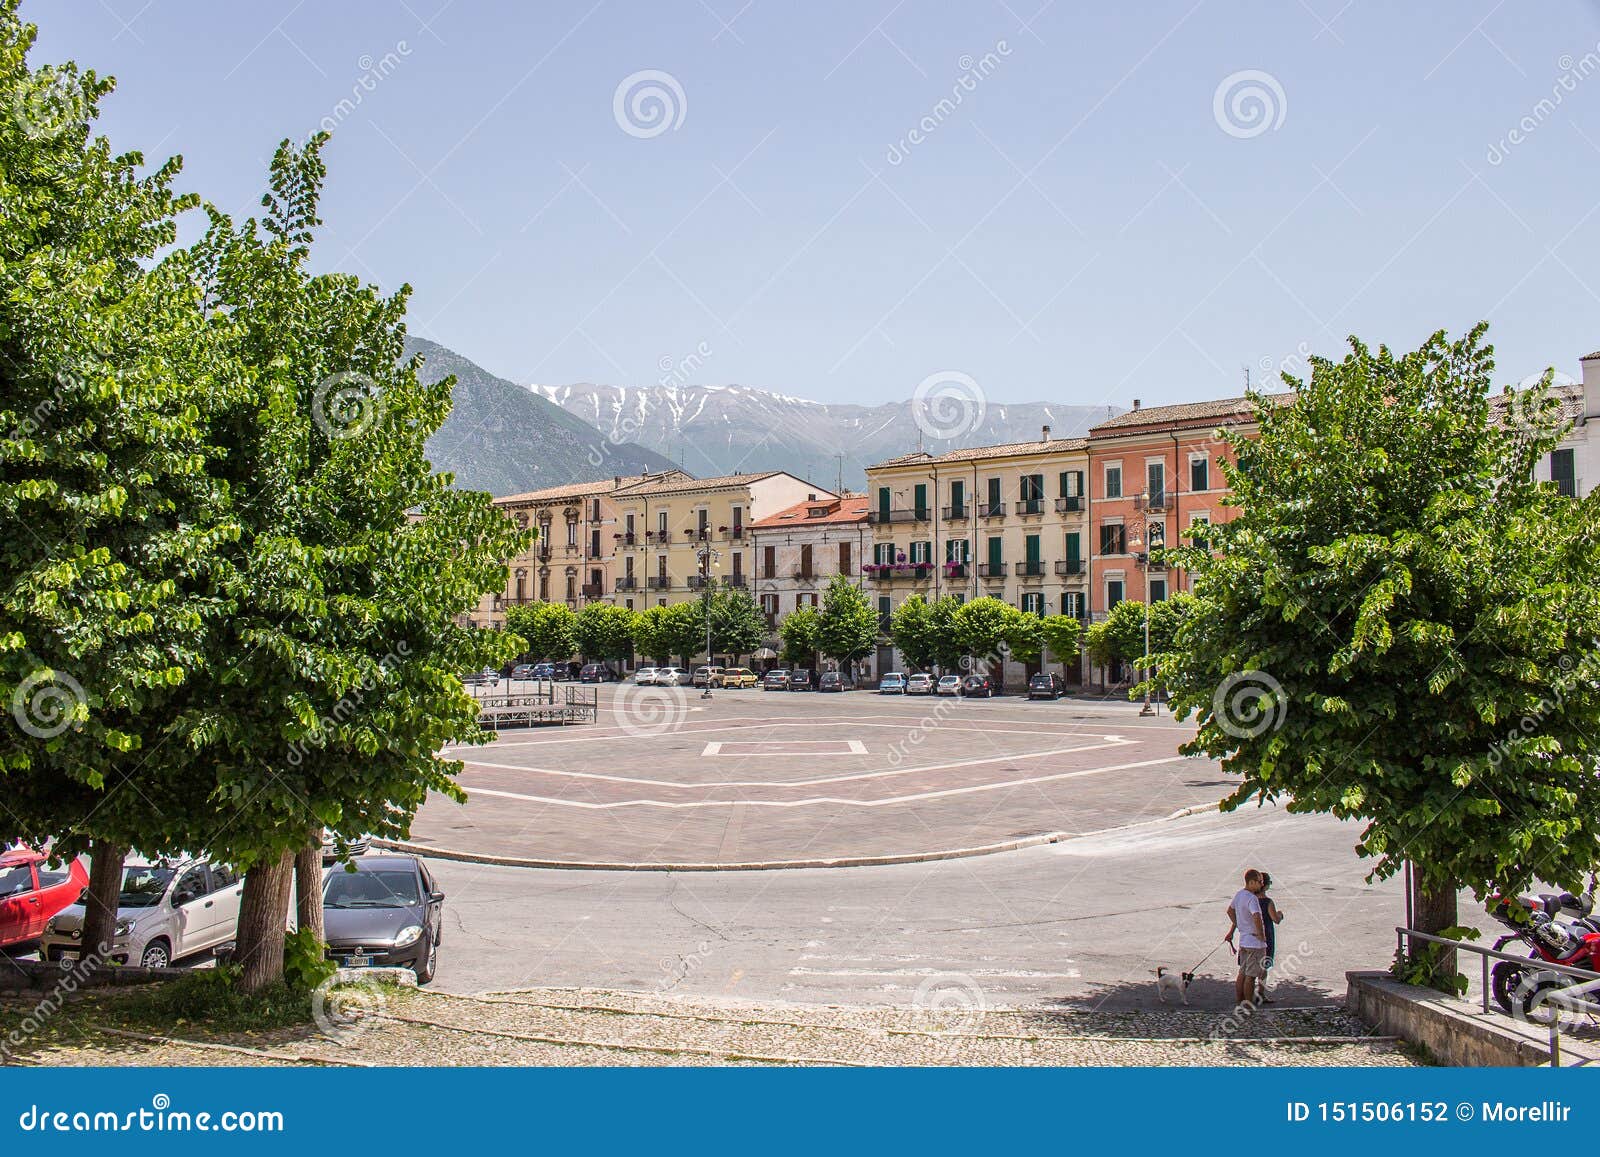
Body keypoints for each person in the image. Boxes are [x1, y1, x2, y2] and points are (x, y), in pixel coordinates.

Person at [1224, 868, 1268, 1008]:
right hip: (1254, 943)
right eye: (1260, 882)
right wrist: (1261, 935)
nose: (1262, 884)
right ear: (1251, 882)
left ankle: (1240, 1001)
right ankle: (1248, 1004)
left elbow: (1230, 911)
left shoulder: (1239, 895)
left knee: (1242, 973)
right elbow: (1257, 916)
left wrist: (1240, 925)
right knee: (1251, 975)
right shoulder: (1252, 898)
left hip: (1244, 941)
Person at [1257, 872, 1285, 1003]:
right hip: (1266, 935)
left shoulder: (1251, 899)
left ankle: (1245, 995)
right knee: (1263, 966)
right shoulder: (1268, 902)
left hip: (1250, 935)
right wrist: (1280, 914)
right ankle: (1260, 994)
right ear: (1266, 885)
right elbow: (1275, 919)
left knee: (1248, 967)